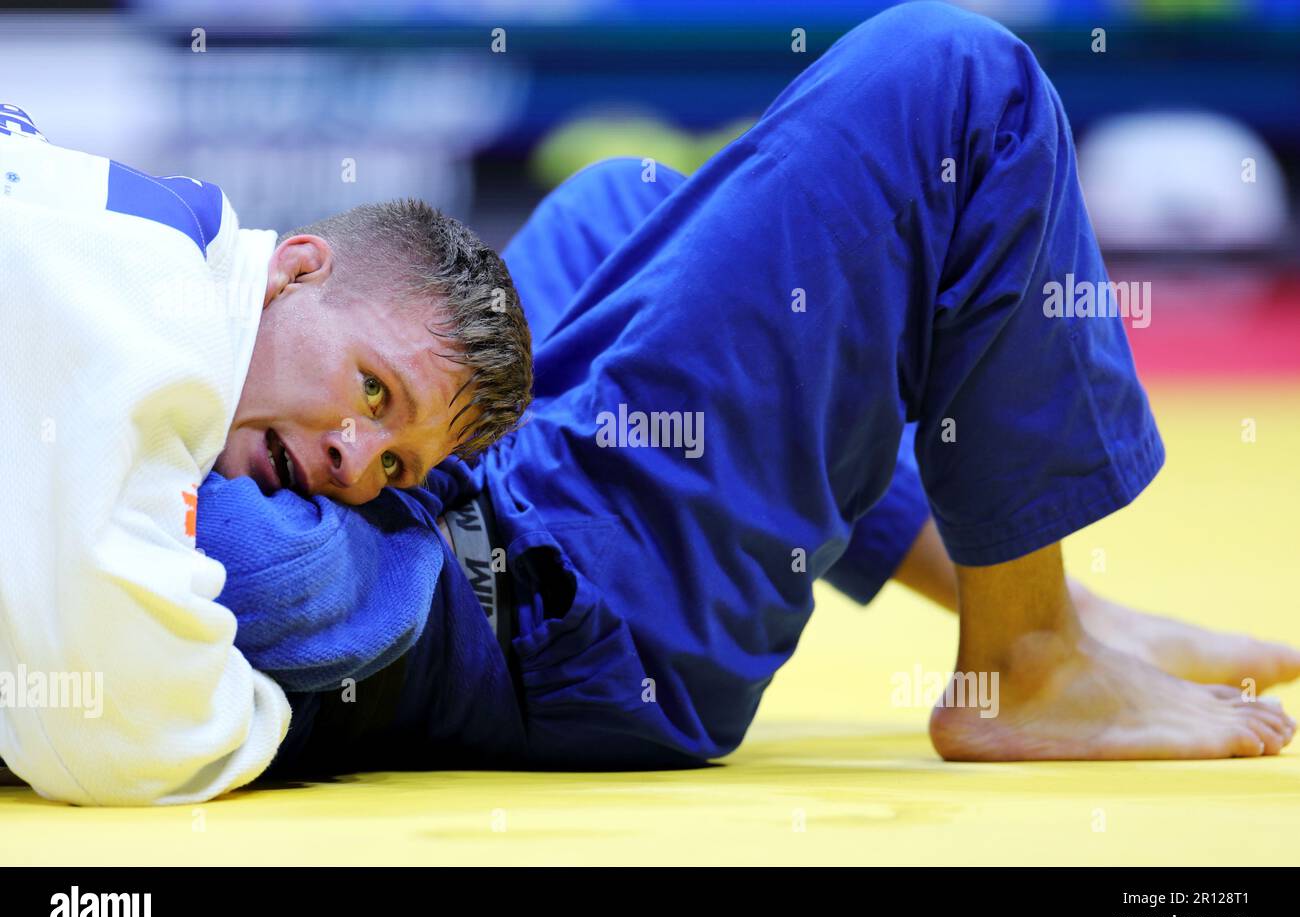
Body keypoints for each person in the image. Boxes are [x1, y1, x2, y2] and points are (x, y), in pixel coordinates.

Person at [196, 2, 1298, 785]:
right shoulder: (213, 521)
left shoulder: (152, 322)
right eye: (372, 424)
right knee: (957, 76)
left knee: (620, 201)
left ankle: (1042, 602)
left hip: (491, 515)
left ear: (293, 268)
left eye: (381, 410)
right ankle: (1027, 660)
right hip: (588, 615)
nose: (347, 452)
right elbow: (280, 573)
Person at [0, 102, 532, 804]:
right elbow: (117, 735)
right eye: (373, 389)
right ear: (298, 270)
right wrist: (278, 716)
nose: (355, 462)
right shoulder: (149, 302)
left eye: (397, 467)